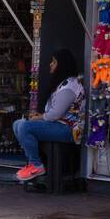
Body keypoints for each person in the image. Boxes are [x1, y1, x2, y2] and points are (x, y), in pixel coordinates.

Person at [13, 48, 84, 183]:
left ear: (62, 65)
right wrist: (39, 115)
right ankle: (32, 163)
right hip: (57, 125)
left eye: (54, 62)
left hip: (68, 129)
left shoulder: (69, 86)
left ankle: (37, 165)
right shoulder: (62, 84)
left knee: (26, 127)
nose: (50, 65)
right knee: (18, 124)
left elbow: (55, 114)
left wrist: (39, 118)